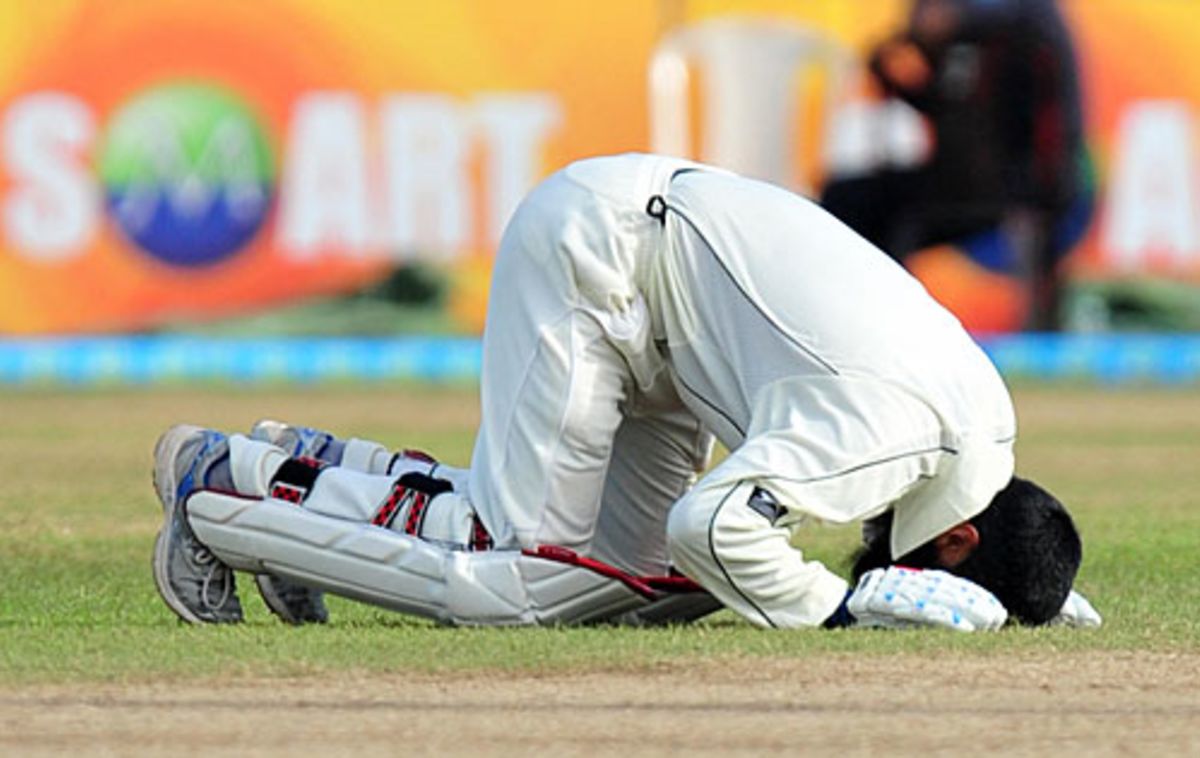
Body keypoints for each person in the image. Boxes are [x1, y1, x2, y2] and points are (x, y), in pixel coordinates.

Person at [151, 153, 1090, 631]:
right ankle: (223, 486)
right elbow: (712, 527)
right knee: (523, 577)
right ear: (956, 541)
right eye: (937, 595)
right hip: (602, 258)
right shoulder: (897, 433)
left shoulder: (979, 427)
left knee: (627, 582)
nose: (917, 603)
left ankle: (307, 477)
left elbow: (697, 547)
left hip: (666, 313)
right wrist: (839, 615)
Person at [821, 0, 1093, 331]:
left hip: (1018, 182)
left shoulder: (1019, 32)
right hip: (955, 178)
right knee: (847, 198)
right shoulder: (964, 50)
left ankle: (886, 322)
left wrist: (954, 19)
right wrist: (893, 69)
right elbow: (941, 102)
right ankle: (846, 317)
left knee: (895, 214)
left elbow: (1009, 23)